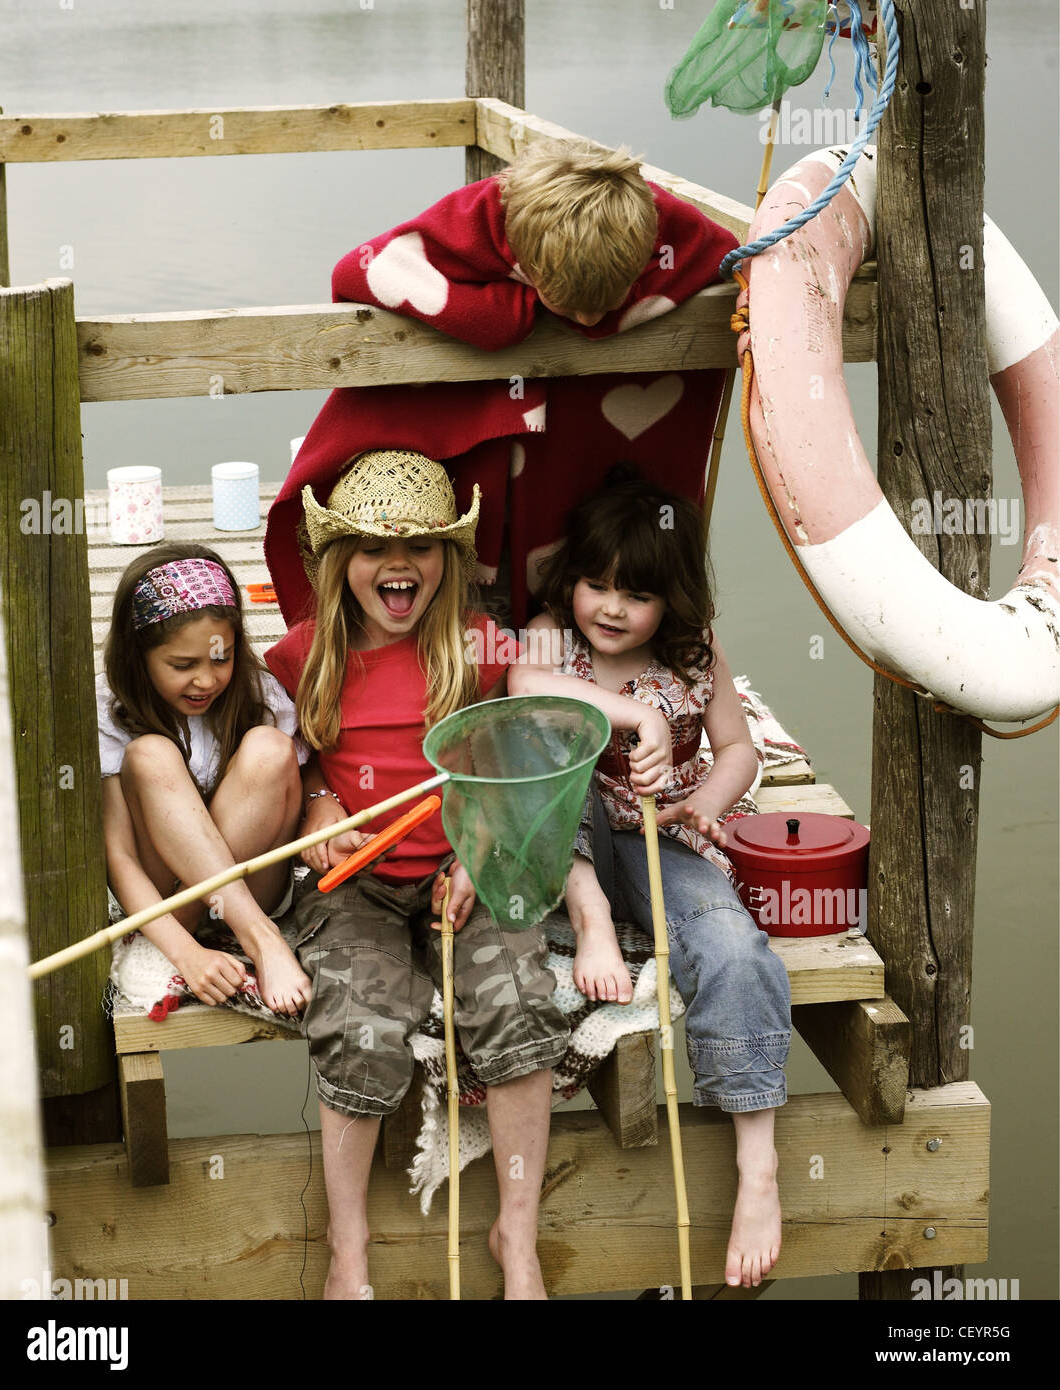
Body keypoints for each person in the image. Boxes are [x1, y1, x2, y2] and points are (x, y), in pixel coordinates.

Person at [265, 449, 570, 1301]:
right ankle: (348, 1246)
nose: (398, 566)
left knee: (516, 1004)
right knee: (361, 1024)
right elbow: (282, 765)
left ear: (449, 561)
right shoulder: (301, 655)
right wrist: (319, 798)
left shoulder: (480, 649)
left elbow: (517, 762)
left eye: (422, 548)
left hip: (459, 869)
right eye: (371, 548)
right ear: (337, 563)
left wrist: (481, 849)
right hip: (351, 885)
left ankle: (518, 1228)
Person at [264, 140, 740, 634]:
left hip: (581, 444)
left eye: (607, 302)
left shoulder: (657, 221)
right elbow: (360, 270)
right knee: (496, 585)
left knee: (586, 560)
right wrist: (507, 317)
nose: (591, 321)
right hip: (503, 454)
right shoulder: (484, 216)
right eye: (569, 303)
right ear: (528, 259)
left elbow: (733, 257)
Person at [507, 468, 791, 1290]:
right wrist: (631, 715)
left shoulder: (697, 656)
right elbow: (522, 688)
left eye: (634, 594)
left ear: (671, 599)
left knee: (735, 949)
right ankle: (590, 915)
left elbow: (737, 748)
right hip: (572, 838)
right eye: (596, 584)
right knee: (540, 757)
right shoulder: (553, 638)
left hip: (660, 837)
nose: (610, 607)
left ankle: (758, 1166)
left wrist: (703, 801)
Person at [98, 542, 314, 1017]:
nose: (206, 681)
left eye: (221, 658)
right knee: (149, 754)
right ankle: (237, 937)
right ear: (138, 656)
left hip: (256, 885)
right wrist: (185, 951)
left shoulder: (260, 696)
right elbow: (118, 855)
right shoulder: (110, 711)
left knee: (270, 749)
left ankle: (257, 933)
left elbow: (292, 791)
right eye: (182, 666)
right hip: (164, 901)